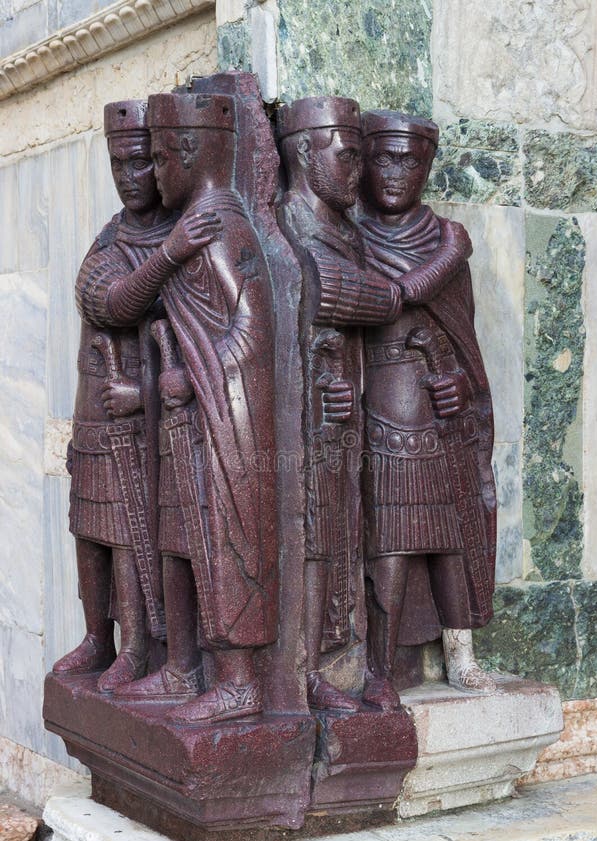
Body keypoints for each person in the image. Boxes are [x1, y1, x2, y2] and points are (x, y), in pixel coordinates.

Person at [113, 92, 279, 724]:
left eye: (158, 159)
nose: (152, 176)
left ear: (189, 153)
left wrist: (193, 377)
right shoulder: (192, 227)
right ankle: (182, 668)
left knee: (221, 544)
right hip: (187, 421)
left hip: (219, 421)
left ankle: (239, 683)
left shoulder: (217, 225)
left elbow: (251, 328)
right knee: (180, 542)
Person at [358, 110, 497, 709]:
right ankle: (380, 665)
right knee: (388, 544)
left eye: (409, 160)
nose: (395, 172)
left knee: (451, 541)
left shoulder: (445, 240)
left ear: (426, 167)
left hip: (440, 419)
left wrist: (462, 387)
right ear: (363, 161)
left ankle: (462, 654)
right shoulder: (349, 237)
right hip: (380, 412)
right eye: (383, 157)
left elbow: (467, 338)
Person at [276, 96, 403, 712]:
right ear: (303, 150)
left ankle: (340, 660)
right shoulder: (286, 228)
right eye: (347, 153)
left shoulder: (343, 233)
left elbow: (373, 299)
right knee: (312, 543)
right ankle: (306, 673)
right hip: (301, 428)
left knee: (344, 540)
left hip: (344, 425)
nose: (359, 170)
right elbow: (327, 294)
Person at [53, 100, 183, 692]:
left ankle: (134, 646)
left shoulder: (179, 234)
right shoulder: (112, 236)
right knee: (89, 527)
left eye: (141, 164)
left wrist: (148, 391)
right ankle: (96, 637)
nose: (131, 179)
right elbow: (109, 301)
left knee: (131, 532)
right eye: (119, 166)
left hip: (146, 411)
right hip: (97, 406)